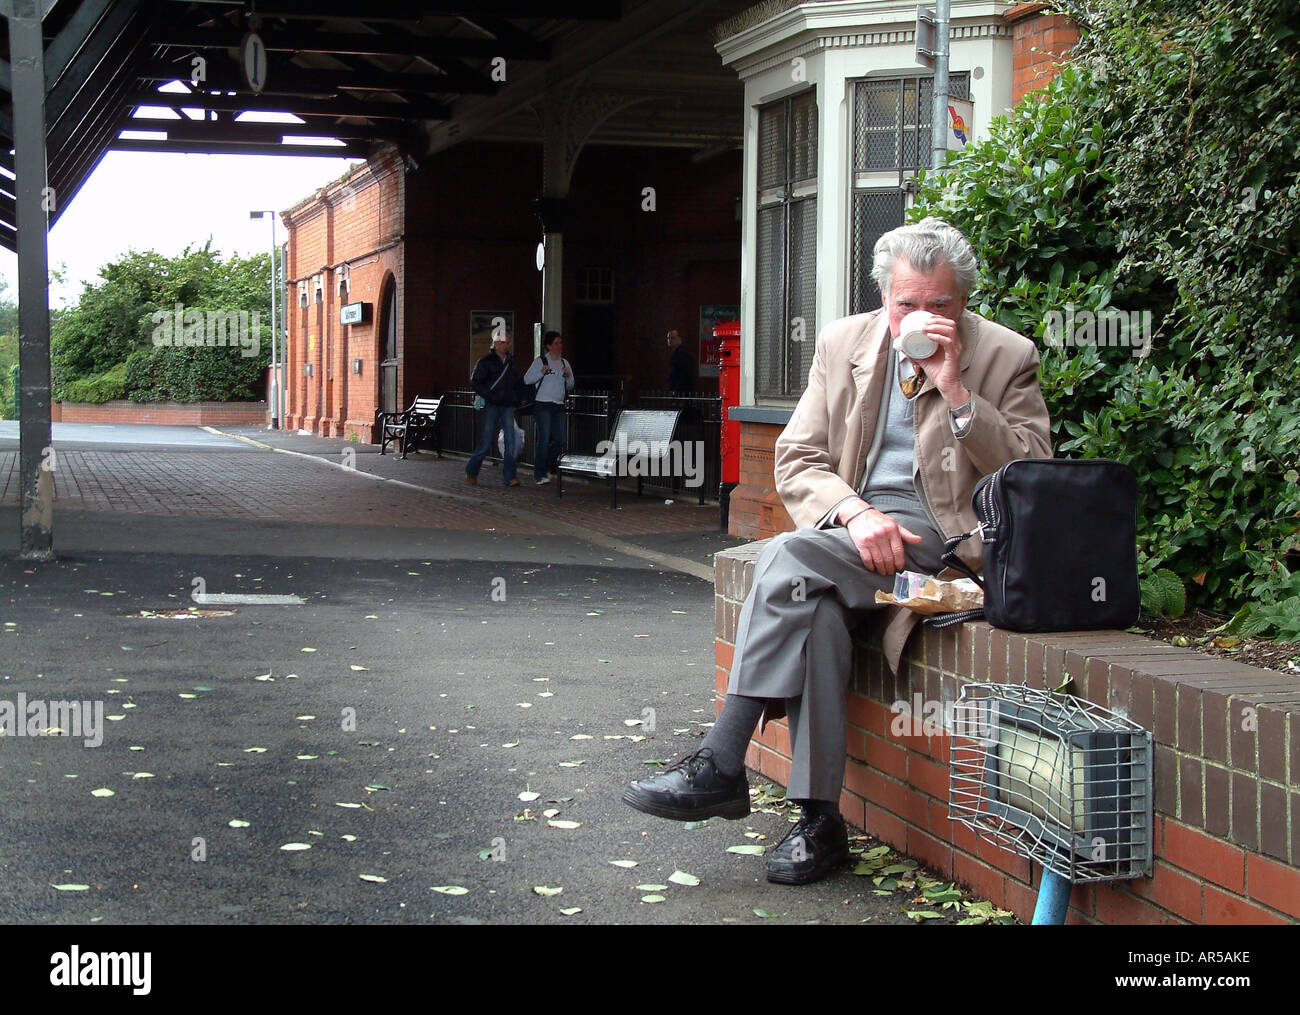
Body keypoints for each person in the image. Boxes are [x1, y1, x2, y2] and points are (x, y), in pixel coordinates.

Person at [622, 218, 1053, 885]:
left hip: (942, 564)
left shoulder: (1004, 354)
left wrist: (958, 390)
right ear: (885, 297)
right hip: (851, 547)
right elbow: (796, 455)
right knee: (814, 612)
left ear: (962, 303)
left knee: (785, 558)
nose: (921, 317)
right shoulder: (844, 342)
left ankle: (723, 754)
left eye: (939, 305)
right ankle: (821, 823)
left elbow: (1032, 472)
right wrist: (854, 513)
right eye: (906, 303)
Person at [466, 333, 522, 487]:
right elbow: (475, 381)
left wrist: (515, 398)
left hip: (507, 404)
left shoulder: (510, 362)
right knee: (487, 440)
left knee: (510, 441)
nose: (507, 345)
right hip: (493, 404)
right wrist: (489, 395)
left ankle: (510, 476)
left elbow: (516, 382)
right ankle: (472, 470)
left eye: (508, 342)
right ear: (496, 344)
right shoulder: (486, 361)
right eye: (504, 342)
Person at [522, 331, 575, 485]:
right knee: (543, 439)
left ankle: (550, 466)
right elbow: (527, 379)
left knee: (560, 439)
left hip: (558, 404)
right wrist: (541, 372)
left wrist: (568, 376)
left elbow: (570, 385)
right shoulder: (541, 361)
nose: (560, 346)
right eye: (557, 343)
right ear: (549, 346)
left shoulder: (565, 363)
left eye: (561, 343)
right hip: (543, 403)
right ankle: (539, 474)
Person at [666, 329, 694, 393]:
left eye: (672, 338)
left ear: (679, 339)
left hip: (682, 392)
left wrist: (675, 389)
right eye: (668, 338)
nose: (669, 340)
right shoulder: (675, 354)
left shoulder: (682, 354)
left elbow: (684, 374)